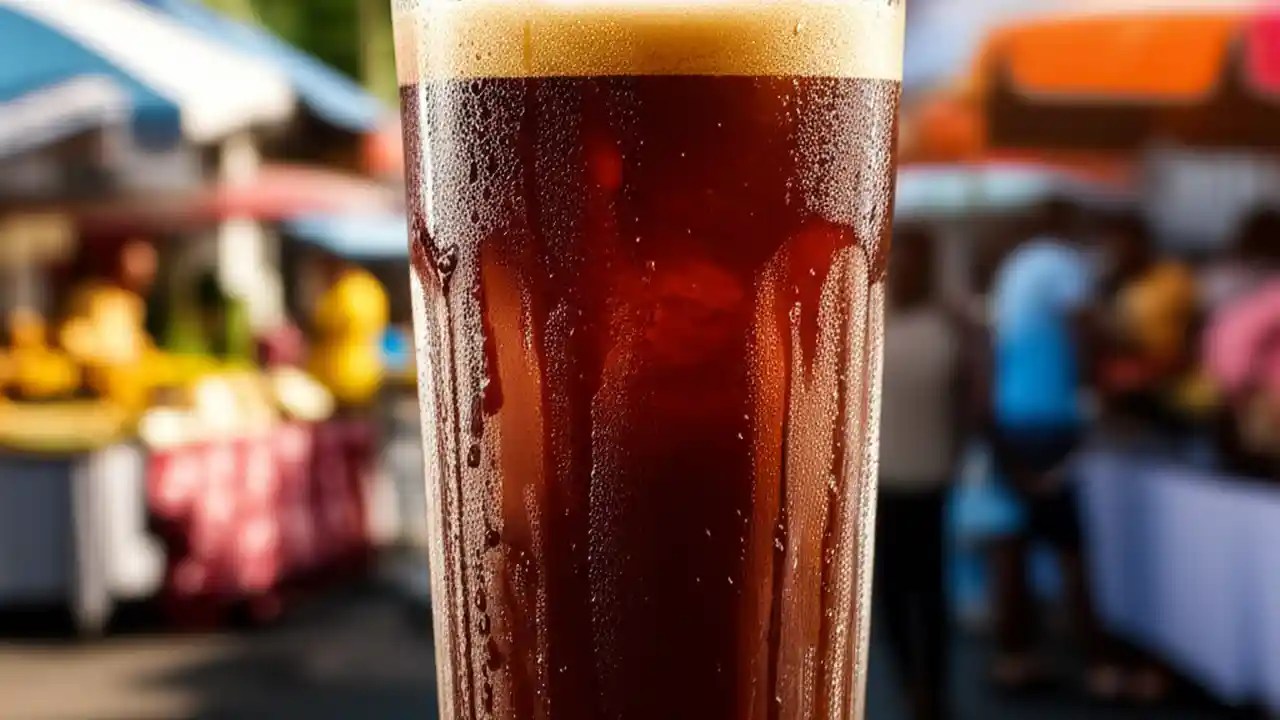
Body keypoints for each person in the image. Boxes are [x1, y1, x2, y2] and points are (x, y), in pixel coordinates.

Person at [987, 200, 1118, 699]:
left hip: (1012, 415)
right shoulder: (1063, 264)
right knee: (1070, 546)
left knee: (1013, 541)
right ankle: (1099, 665)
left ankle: (1014, 657)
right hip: (1051, 417)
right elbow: (1083, 329)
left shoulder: (1014, 265)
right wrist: (1091, 392)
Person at [876, 227, 965, 720]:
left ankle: (931, 688)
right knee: (891, 589)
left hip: (931, 477)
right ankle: (910, 682)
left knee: (928, 589)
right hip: (883, 481)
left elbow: (969, 398)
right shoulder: (873, 321)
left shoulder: (948, 325)